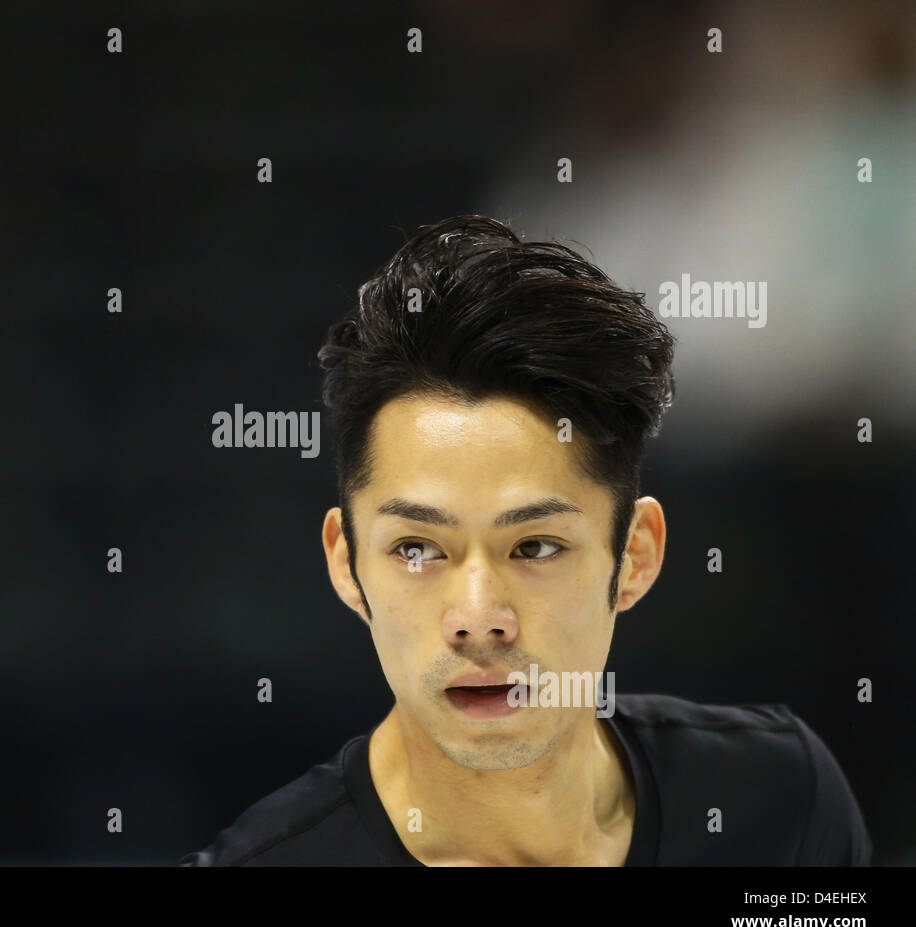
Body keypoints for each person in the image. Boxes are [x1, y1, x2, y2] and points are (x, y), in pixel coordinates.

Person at [180, 215, 872, 866]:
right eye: (417, 549)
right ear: (346, 562)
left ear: (634, 555)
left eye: (535, 547)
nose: (479, 618)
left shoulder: (783, 804)